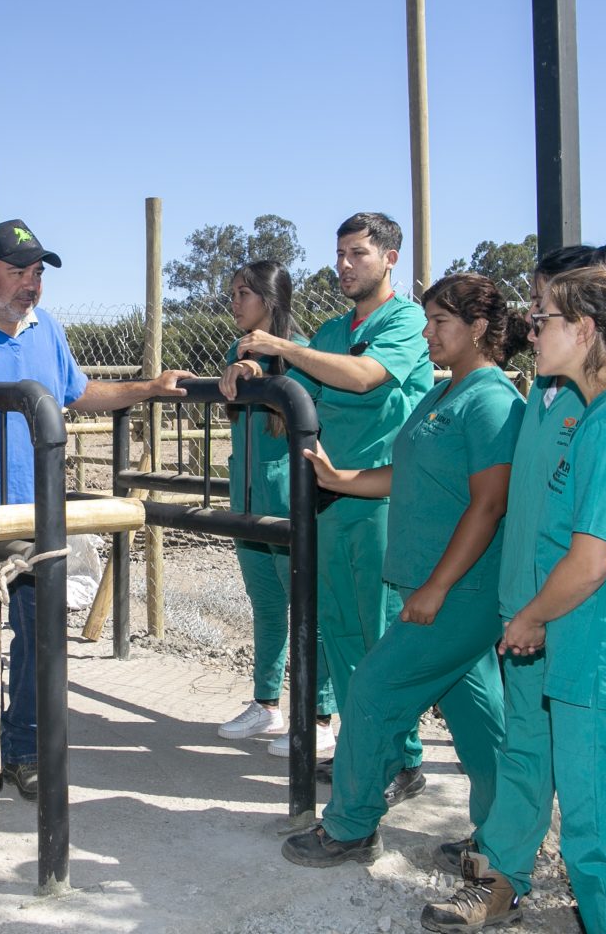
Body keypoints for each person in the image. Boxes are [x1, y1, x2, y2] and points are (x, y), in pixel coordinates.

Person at [421, 239, 606, 933]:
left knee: (605, 831)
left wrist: (536, 613)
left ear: (585, 326)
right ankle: (502, 875)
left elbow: (594, 554)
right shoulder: (555, 394)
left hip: (588, 632)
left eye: (541, 315)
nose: (528, 329)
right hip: (554, 618)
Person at [0, 218, 193, 814]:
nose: (31, 285)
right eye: (19, 272)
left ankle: (24, 754)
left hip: (38, 517)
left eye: (38, 273)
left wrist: (146, 388)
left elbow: (75, 391)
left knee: (41, 642)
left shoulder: (47, 330)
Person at [279, 273, 525, 868]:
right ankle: (502, 839)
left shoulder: (492, 400)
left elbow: (489, 503)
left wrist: (438, 586)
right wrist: (345, 481)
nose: (428, 331)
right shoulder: (445, 393)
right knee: (478, 721)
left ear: (480, 329)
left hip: (459, 587)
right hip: (431, 581)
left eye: (441, 322)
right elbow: (411, 474)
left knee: (373, 687)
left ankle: (352, 825)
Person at [223, 212, 433, 787]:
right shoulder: (335, 331)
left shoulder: (408, 321)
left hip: (381, 500)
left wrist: (279, 346)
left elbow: (365, 376)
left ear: (390, 258)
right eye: (340, 254)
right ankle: (361, 750)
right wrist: (255, 369)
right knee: (339, 632)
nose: (344, 265)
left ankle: (402, 759)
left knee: (383, 636)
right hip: (329, 500)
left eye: (358, 254)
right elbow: (302, 389)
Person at [214, 260, 337, 742]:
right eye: (232, 293)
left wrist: (257, 370)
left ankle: (320, 717)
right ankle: (266, 704)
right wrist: (241, 366)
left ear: (270, 299)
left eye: (243, 293)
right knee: (265, 603)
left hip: (288, 496)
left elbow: (299, 400)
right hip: (245, 493)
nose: (234, 302)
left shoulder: (302, 354)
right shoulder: (235, 346)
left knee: (308, 606)